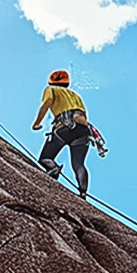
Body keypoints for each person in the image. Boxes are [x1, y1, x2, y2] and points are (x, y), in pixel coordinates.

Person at [31, 69, 99, 198]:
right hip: (82, 131)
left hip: (64, 128)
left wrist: (37, 123)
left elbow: (46, 103)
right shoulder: (76, 96)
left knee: (45, 158)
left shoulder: (51, 89)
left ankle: (53, 168)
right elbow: (83, 114)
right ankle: (83, 192)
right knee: (78, 164)